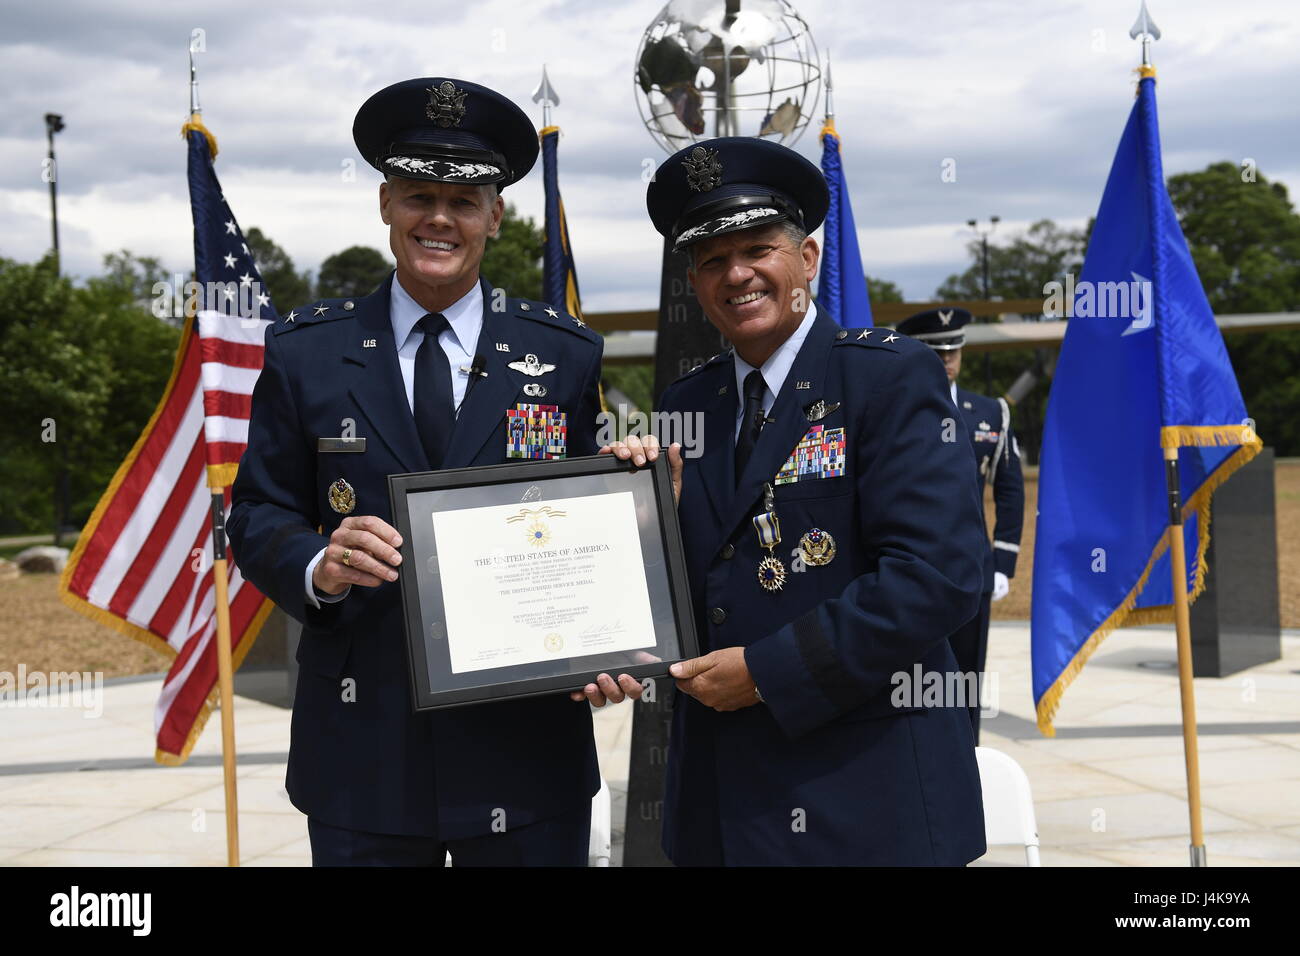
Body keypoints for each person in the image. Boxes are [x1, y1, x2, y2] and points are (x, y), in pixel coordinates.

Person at [228, 77, 642, 867]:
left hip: (525, 753)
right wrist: (320, 562)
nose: (440, 219)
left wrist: (616, 621)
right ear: (385, 203)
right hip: (363, 749)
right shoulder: (305, 353)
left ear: (496, 213)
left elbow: (594, 519)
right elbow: (255, 512)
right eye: (420, 195)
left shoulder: (563, 353)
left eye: (464, 199)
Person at [636, 136, 989, 865]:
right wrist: (640, 542)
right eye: (710, 261)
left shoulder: (888, 378)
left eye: (758, 248)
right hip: (725, 803)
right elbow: (701, 581)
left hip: (866, 796)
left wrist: (769, 672)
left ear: (808, 258)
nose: (736, 275)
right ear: (695, 283)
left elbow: (939, 575)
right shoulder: (685, 402)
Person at [896, 307, 1025, 742]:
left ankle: (966, 750)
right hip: (910, 566)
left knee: (966, 674)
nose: (947, 359)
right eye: (937, 350)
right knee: (910, 675)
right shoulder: (895, 409)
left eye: (954, 349)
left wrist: (1004, 559)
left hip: (972, 564)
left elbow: (1009, 488)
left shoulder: (990, 413)